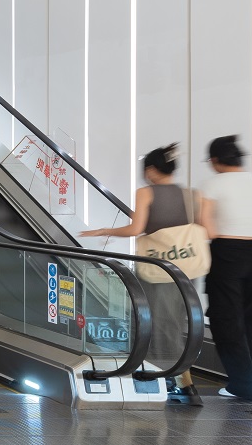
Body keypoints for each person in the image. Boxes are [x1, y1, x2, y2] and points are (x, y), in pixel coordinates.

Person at [82, 143, 199, 390]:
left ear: (152, 170)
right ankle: (183, 377)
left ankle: (165, 376)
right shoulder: (191, 195)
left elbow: (136, 228)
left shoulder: (146, 193)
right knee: (177, 321)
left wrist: (105, 231)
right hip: (186, 268)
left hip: (158, 268)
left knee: (154, 320)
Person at [196, 135, 252, 402]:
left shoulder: (212, 184)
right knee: (248, 316)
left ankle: (244, 385)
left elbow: (205, 224)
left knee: (225, 319)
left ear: (214, 160)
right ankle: (251, 378)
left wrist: (219, 243)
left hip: (227, 251)